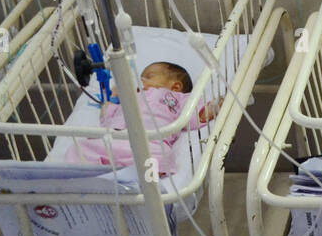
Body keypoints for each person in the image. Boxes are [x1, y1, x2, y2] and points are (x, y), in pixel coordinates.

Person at [66, 61, 216, 172]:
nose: (141, 81)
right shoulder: (129, 96)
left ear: (176, 86)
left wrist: (213, 107)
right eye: (141, 78)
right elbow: (106, 120)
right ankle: (80, 179)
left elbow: (194, 115)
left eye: (149, 76)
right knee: (80, 148)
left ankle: (139, 183)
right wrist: (112, 99)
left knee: (159, 155)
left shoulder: (177, 98)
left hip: (149, 142)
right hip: (116, 138)